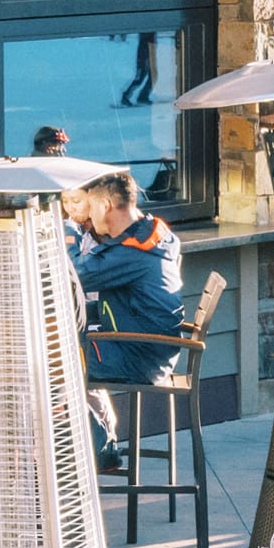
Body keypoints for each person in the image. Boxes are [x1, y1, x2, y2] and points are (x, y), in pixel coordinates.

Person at [67, 169, 183, 472]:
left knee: (55, 364)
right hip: (148, 347)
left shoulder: (132, 252)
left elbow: (76, 273)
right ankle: (103, 446)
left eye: (89, 207)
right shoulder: (153, 233)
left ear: (105, 206)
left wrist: (68, 231)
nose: (86, 216)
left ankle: (98, 448)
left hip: (138, 355)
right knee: (68, 353)